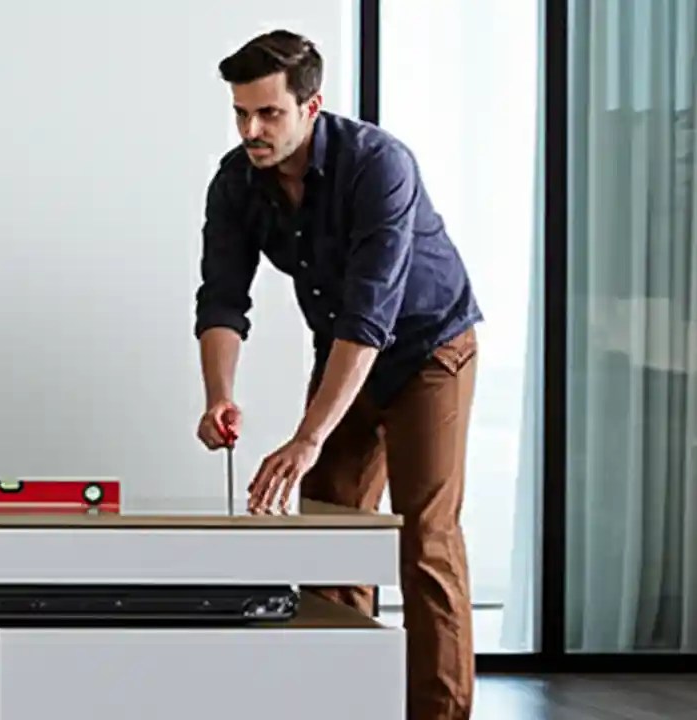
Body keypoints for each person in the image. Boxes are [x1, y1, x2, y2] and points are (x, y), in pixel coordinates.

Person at [192, 29, 483, 720]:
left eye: (268, 114)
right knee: (332, 533)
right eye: (240, 112)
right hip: (345, 351)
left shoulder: (379, 164)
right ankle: (348, 703)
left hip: (429, 349)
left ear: (311, 106)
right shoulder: (237, 181)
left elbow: (370, 316)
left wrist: (307, 436)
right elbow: (223, 298)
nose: (251, 130)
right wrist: (219, 397)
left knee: (424, 537)